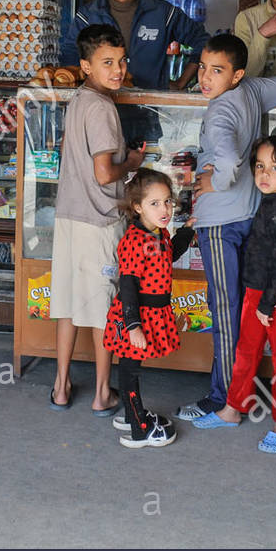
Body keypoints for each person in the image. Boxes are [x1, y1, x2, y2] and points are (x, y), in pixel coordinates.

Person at [175, 33, 276, 423]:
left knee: (226, 312)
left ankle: (222, 400)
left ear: (236, 72)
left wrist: (214, 181)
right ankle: (235, 394)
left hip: (219, 222)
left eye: (218, 71)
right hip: (248, 215)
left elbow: (227, 161)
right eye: (204, 68)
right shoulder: (250, 91)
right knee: (240, 310)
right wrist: (249, 84)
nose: (206, 79)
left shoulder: (219, 113)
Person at [49, 24, 145, 415]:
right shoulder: (104, 108)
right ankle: (102, 393)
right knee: (106, 309)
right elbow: (105, 173)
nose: (117, 70)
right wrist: (134, 163)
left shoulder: (78, 100)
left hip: (68, 217)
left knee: (70, 305)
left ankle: (60, 386)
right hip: (99, 221)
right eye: (107, 63)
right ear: (85, 66)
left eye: (121, 61)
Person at [193, 136, 276, 453]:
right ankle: (232, 409)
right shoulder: (266, 202)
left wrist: (267, 304)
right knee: (246, 352)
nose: (264, 174)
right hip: (257, 292)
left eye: (274, 167)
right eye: (259, 166)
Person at [102, 169, 194, 449]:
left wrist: (188, 229)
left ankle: (133, 415)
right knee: (129, 372)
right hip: (137, 315)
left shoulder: (160, 234)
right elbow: (128, 285)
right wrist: (133, 326)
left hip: (153, 314)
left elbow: (169, 254)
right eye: (154, 203)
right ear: (137, 207)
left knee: (132, 369)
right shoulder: (134, 240)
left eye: (167, 201)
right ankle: (140, 428)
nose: (164, 209)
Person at [59, 0, 210, 90]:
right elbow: (70, 55)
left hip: (149, 109)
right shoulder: (88, 16)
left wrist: (181, 82)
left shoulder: (162, 12)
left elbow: (203, 41)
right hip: (103, 105)